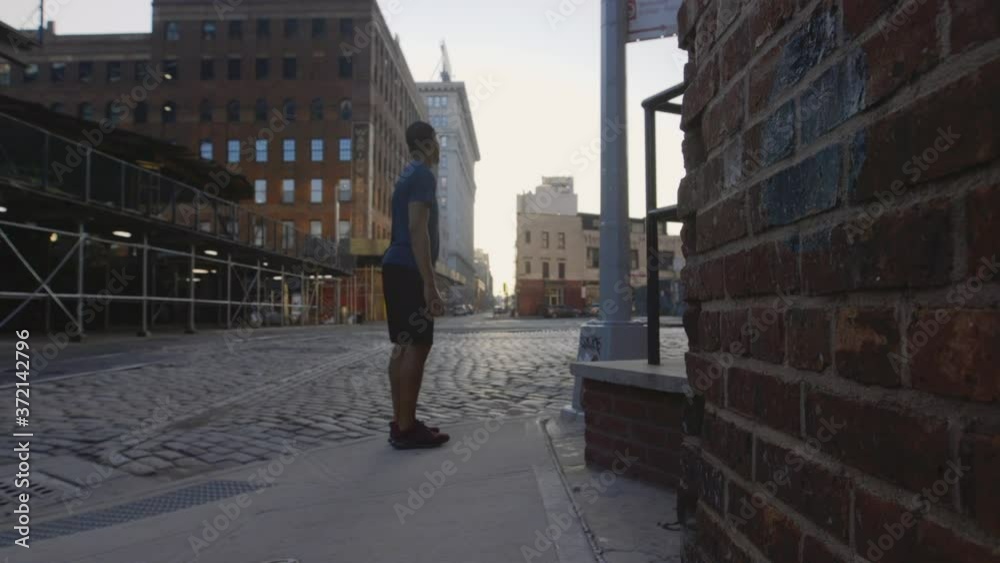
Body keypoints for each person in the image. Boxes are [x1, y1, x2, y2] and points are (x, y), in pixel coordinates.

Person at [381, 121, 450, 449]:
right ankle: (407, 429)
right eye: (436, 141)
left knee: (401, 345)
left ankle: (401, 422)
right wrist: (429, 283)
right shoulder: (422, 174)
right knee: (418, 345)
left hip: (393, 264)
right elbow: (417, 228)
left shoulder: (405, 176)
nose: (438, 147)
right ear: (426, 143)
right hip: (409, 268)